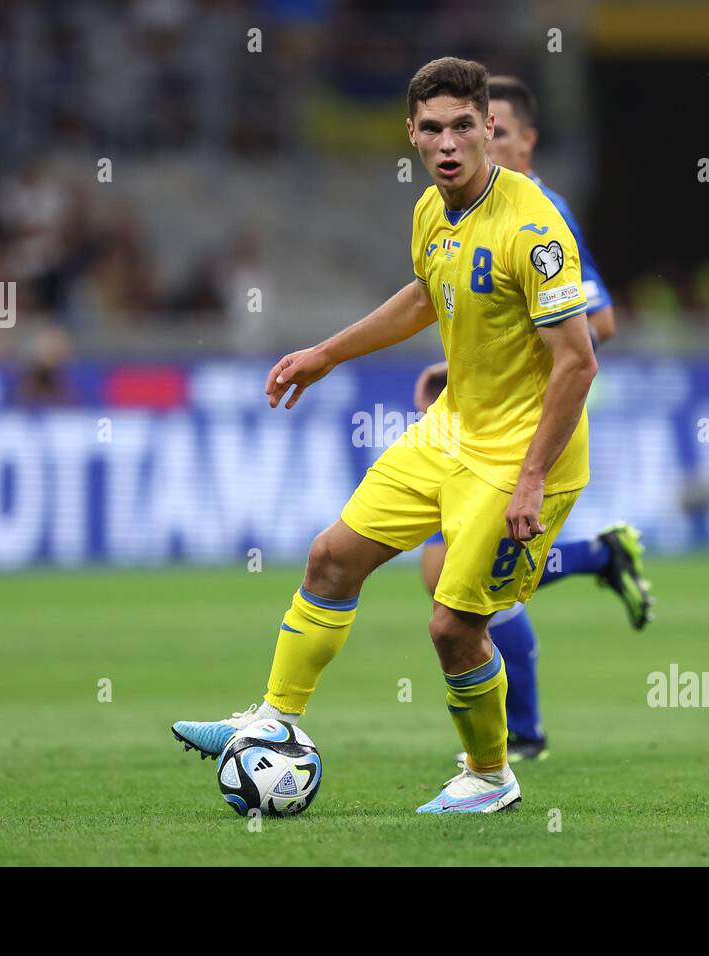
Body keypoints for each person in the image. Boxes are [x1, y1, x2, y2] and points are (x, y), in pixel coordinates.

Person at [173, 56, 598, 813]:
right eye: (431, 129)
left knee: (452, 627)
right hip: (450, 433)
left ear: (488, 129)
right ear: (411, 133)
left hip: (522, 457)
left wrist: (532, 477)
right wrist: (327, 354)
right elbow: (424, 295)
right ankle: (272, 722)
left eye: (464, 127)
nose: (447, 143)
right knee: (332, 556)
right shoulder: (431, 211)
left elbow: (579, 361)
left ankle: (492, 775)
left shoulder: (534, 227)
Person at [410, 75, 654, 763]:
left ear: (521, 139)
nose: (470, 144)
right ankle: (594, 561)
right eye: (450, 130)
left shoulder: (544, 211)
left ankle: (522, 734)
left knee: (459, 581)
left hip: (526, 425)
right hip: (468, 421)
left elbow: (597, 320)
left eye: (496, 132)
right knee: (446, 576)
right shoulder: (459, 210)